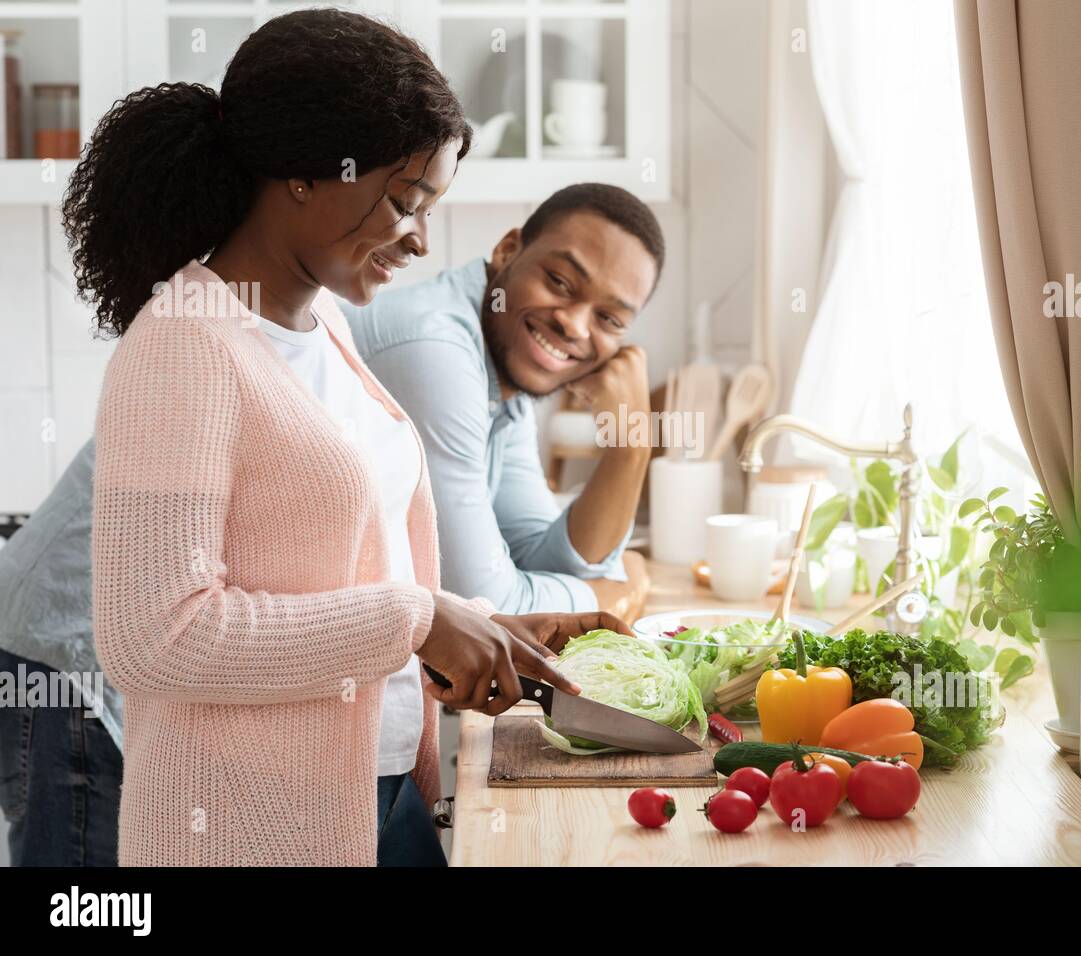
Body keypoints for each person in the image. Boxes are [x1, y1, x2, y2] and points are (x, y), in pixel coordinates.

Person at [0, 7, 624, 868]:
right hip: (248, 823)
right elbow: (155, 636)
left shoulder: (318, 322)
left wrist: (491, 625)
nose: (421, 239)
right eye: (405, 202)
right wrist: (415, 621)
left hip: (374, 791)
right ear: (303, 175)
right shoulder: (184, 346)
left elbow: (332, 570)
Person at [339, 183, 662, 623]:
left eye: (608, 318)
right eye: (560, 282)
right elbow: (487, 610)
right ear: (509, 250)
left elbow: (540, 561)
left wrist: (631, 447)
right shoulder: (434, 349)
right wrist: (611, 592)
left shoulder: (503, 366)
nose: (573, 324)